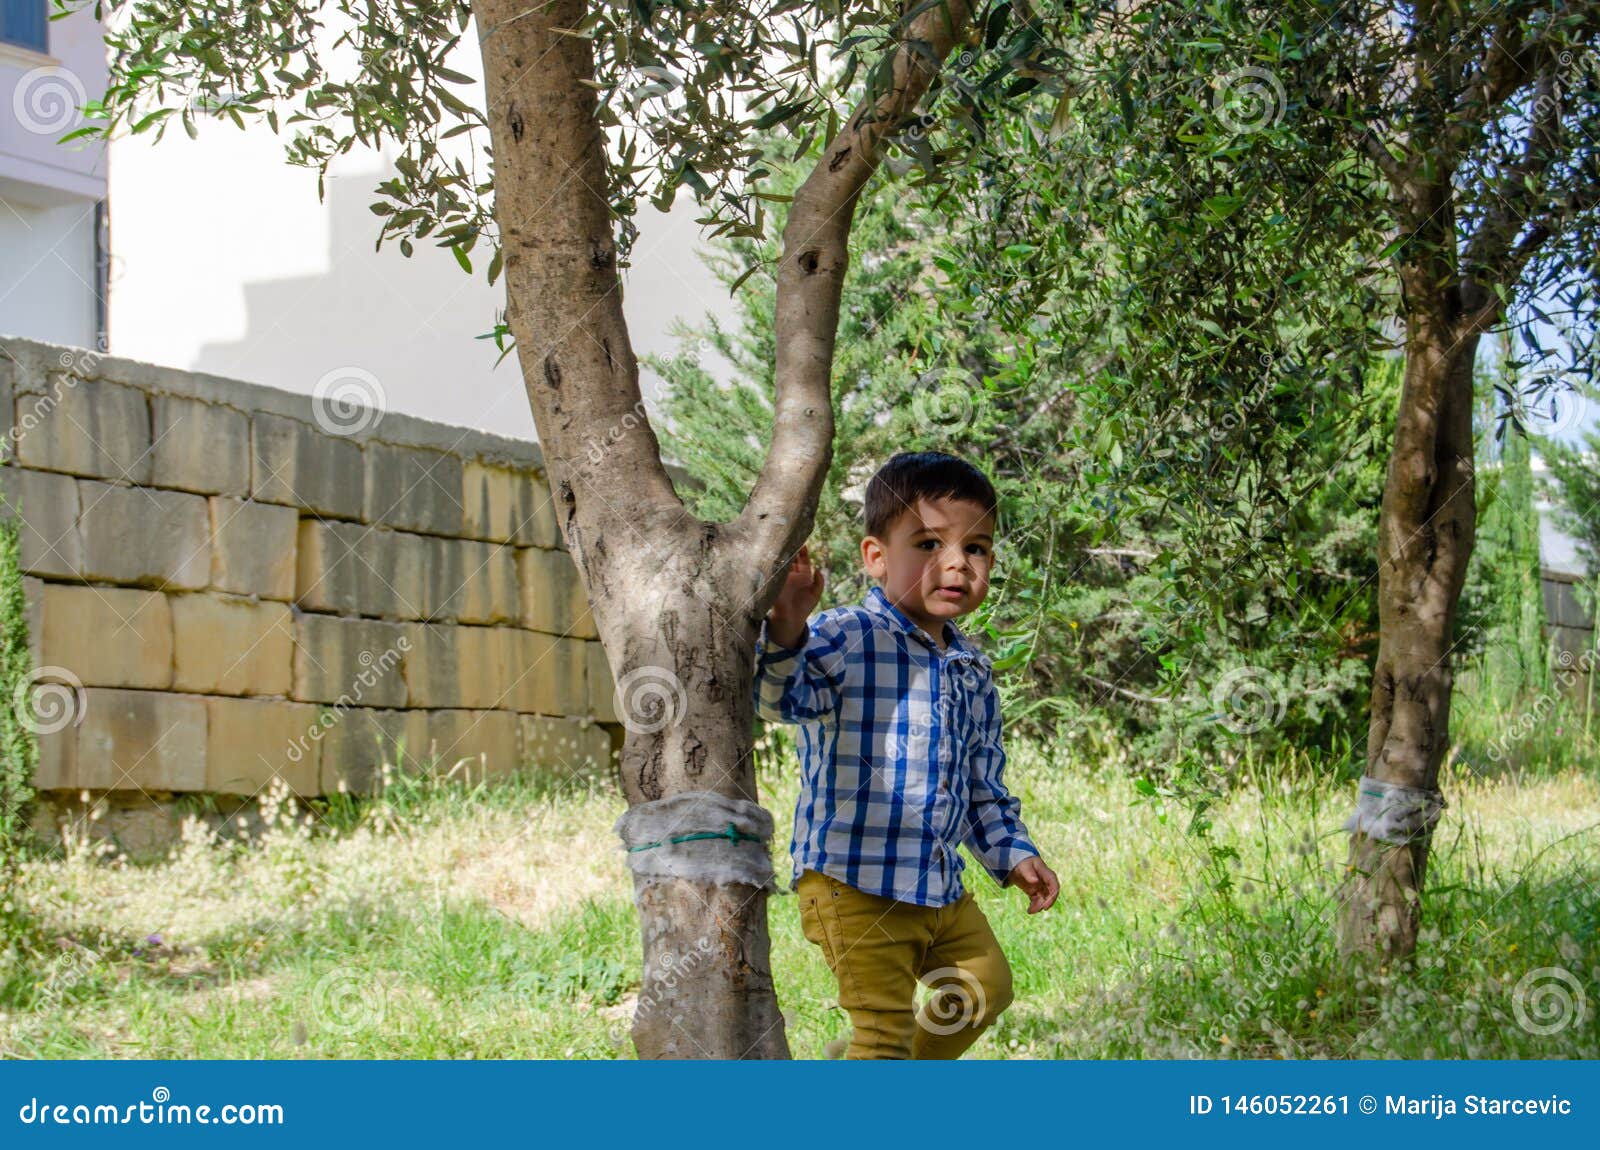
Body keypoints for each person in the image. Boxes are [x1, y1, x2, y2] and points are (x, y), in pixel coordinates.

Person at [753, 450, 1060, 1059]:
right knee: (883, 1033)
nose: (956, 563)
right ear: (876, 557)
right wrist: (788, 624)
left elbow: (982, 787)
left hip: (939, 888)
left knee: (983, 989)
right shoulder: (845, 637)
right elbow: (778, 699)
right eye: (927, 543)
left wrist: (1015, 853)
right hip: (854, 883)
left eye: (976, 548)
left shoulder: (970, 668)